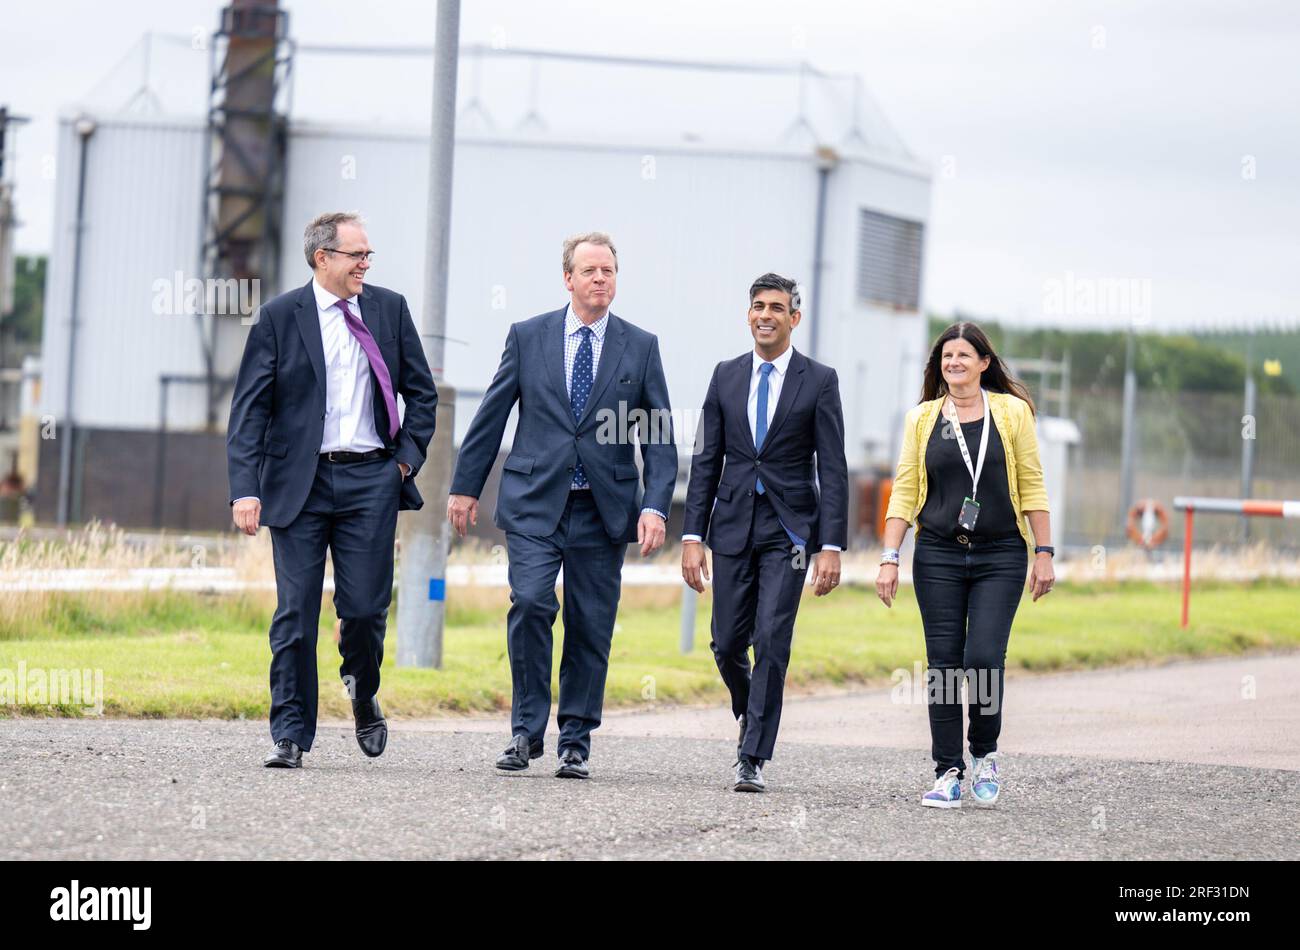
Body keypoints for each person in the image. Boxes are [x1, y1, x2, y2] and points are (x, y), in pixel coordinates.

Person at [447, 232, 676, 779]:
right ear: (568, 278)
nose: (601, 279)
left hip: (605, 509)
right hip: (533, 502)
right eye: (590, 270)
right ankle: (526, 732)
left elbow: (660, 436)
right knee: (529, 603)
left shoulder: (639, 346)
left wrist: (656, 506)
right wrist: (464, 486)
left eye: (609, 271)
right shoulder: (528, 337)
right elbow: (492, 415)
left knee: (591, 623)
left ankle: (575, 738)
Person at [227, 211, 438, 769]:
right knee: (295, 615)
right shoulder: (278, 318)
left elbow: (423, 393)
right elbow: (250, 410)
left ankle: (361, 687)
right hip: (300, 484)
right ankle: (291, 734)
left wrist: (403, 464)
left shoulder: (389, 310)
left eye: (368, 255)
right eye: (356, 255)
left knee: (365, 612)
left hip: (372, 478)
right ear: (323, 258)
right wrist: (245, 489)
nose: (366, 264)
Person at [681, 273, 848, 793]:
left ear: (794, 318)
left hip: (790, 532)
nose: (766, 315)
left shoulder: (819, 380)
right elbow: (707, 459)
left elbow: (834, 466)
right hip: (731, 527)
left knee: (771, 639)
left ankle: (752, 753)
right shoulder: (725, 376)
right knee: (727, 643)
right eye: (758, 306)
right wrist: (692, 535)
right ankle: (750, 709)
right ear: (748, 314)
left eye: (777, 307)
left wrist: (831, 546)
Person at [876, 321, 1054, 807]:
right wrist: (890, 557)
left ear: (984, 363)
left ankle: (984, 753)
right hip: (938, 554)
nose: (954, 363)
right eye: (946, 357)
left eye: (964, 355)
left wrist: (1044, 552)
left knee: (982, 660)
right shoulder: (922, 419)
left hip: (1000, 553)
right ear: (940, 366)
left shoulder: (1013, 413)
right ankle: (947, 772)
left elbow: (1033, 484)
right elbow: (905, 492)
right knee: (944, 667)